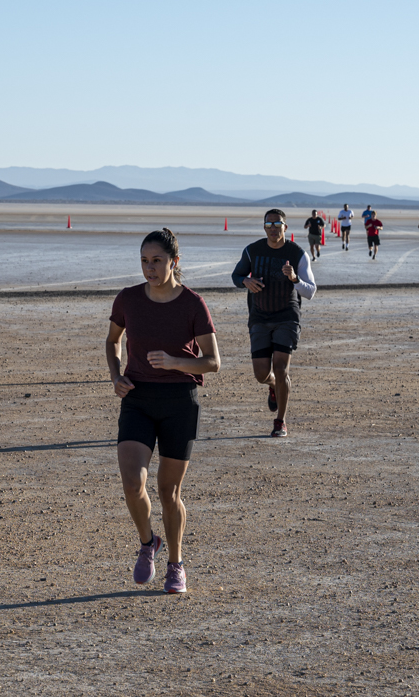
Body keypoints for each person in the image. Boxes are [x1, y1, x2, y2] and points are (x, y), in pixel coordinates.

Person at [106, 228, 220, 594]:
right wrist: (116, 375)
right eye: (144, 261)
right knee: (132, 482)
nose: (149, 268)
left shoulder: (192, 304)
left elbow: (213, 362)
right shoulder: (127, 299)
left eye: (157, 261)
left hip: (179, 402)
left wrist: (174, 362)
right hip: (138, 399)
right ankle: (147, 543)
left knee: (168, 492)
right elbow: (112, 341)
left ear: (174, 261)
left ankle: (176, 564)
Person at [231, 209, 317, 438]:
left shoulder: (297, 253)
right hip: (259, 316)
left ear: (285, 228)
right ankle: (272, 386)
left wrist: (294, 279)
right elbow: (236, 276)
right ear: (264, 227)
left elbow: (311, 291)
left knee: (281, 369)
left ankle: (280, 421)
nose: (273, 229)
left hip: (287, 316)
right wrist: (246, 281)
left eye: (278, 224)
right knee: (261, 373)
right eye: (269, 225)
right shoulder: (252, 251)